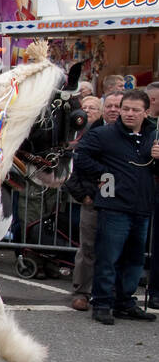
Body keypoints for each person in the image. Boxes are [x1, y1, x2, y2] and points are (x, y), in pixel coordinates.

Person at [71, 89, 159, 324]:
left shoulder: (153, 135)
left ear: (146, 112)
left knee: (134, 259)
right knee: (108, 256)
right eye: (125, 109)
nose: (129, 114)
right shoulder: (104, 134)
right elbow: (80, 157)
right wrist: (104, 173)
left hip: (141, 205)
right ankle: (101, 303)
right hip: (113, 205)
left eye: (135, 110)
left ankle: (125, 302)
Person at [69, 90, 122, 311]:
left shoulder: (132, 136)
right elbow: (75, 167)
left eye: (117, 106)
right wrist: (83, 194)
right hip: (93, 200)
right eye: (109, 105)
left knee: (115, 249)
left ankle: (111, 292)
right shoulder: (91, 133)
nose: (113, 110)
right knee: (88, 247)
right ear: (103, 109)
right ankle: (82, 292)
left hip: (120, 203)